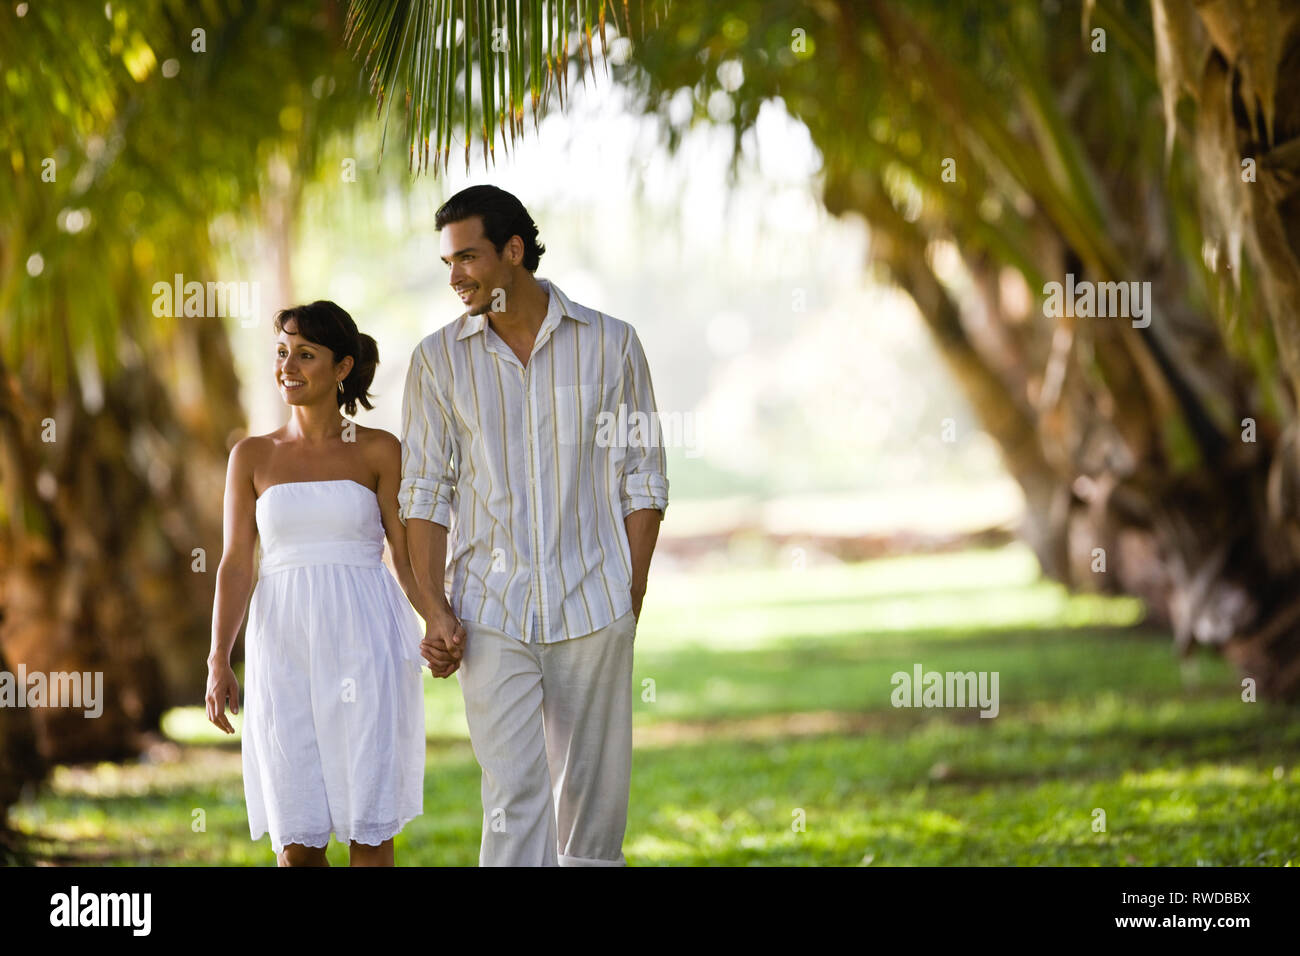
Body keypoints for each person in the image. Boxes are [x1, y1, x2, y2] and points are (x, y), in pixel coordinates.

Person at [400, 184, 668, 866]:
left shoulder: (612, 344)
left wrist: (629, 593)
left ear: (513, 251)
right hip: (490, 612)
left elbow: (642, 477)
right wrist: (433, 610)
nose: (456, 276)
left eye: (468, 257)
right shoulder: (437, 361)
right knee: (513, 799)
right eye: (447, 263)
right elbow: (425, 496)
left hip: (594, 602)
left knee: (593, 814)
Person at [205, 301, 428, 867]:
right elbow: (235, 561)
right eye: (282, 353)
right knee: (297, 842)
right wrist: (218, 659)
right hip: (282, 651)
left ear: (343, 367)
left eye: (306, 354)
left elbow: (403, 556)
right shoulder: (251, 456)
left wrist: (438, 619)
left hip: (365, 645)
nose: (288, 366)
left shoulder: (378, 450)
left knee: (369, 833)